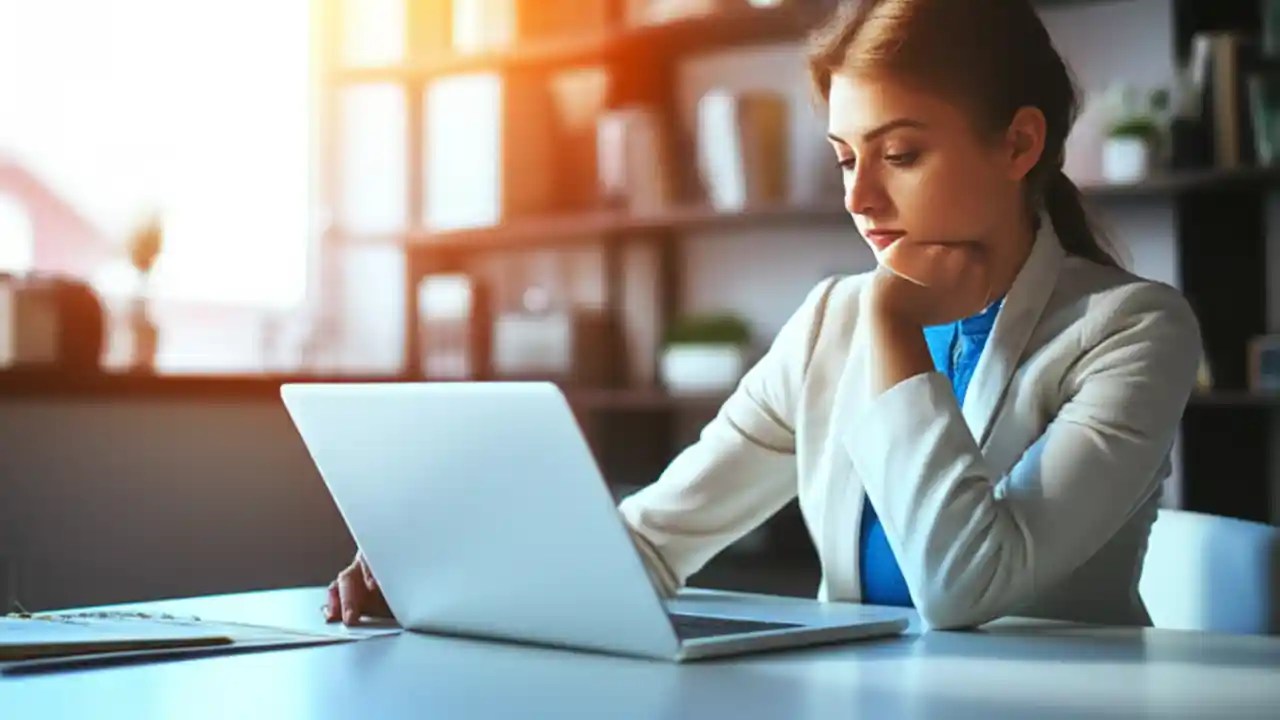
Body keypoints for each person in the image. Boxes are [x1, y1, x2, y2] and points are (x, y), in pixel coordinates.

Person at [325, 0, 1202, 631]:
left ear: (1019, 143)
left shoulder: (1134, 330)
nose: (859, 196)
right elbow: (655, 537)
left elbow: (966, 588)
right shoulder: (830, 320)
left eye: (901, 153)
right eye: (844, 157)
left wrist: (895, 326)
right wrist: (451, 584)